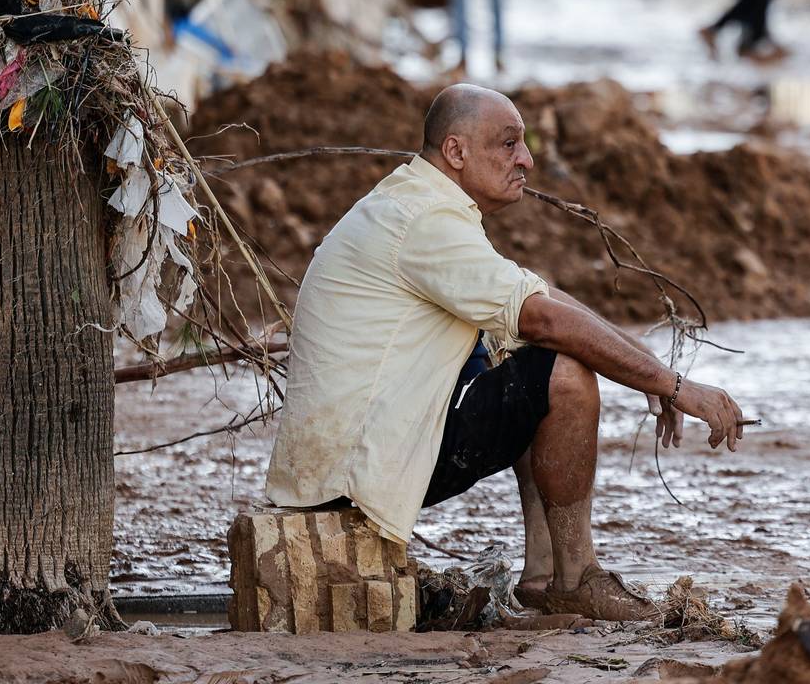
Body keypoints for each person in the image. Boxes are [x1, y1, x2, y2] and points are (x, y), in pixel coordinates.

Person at [267, 84, 748, 621]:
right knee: (560, 371)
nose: (528, 159)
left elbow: (540, 297)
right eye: (509, 144)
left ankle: (542, 576)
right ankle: (574, 576)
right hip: (356, 471)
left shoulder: (420, 205)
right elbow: (544, 318)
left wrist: (658, 375)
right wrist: (675, 388)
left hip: (351, 458)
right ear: (456, 152)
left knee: (530, 356)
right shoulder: (424, 221)